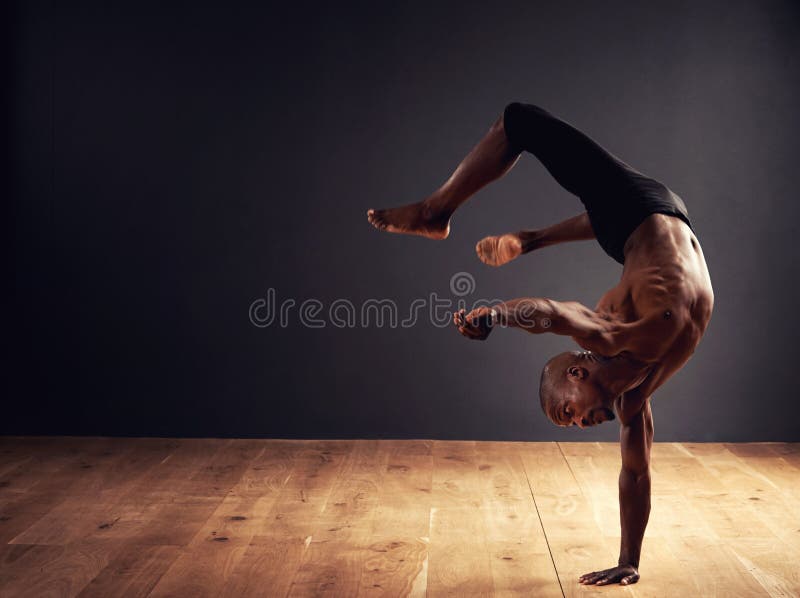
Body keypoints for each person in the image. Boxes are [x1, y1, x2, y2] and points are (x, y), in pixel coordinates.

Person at [367, 102, 714, 586]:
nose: (576, 424)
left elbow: (553, 313)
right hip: (646, 226)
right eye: (571, 422)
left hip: (646, 212)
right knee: (607, 209)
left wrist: (495, 314)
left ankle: (434, 212)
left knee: (520, 121)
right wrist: (629, 560)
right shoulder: (635, 395)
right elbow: (636, 475)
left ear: (577, 373)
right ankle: (527, 239)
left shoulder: (609, 334)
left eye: (565, 413)